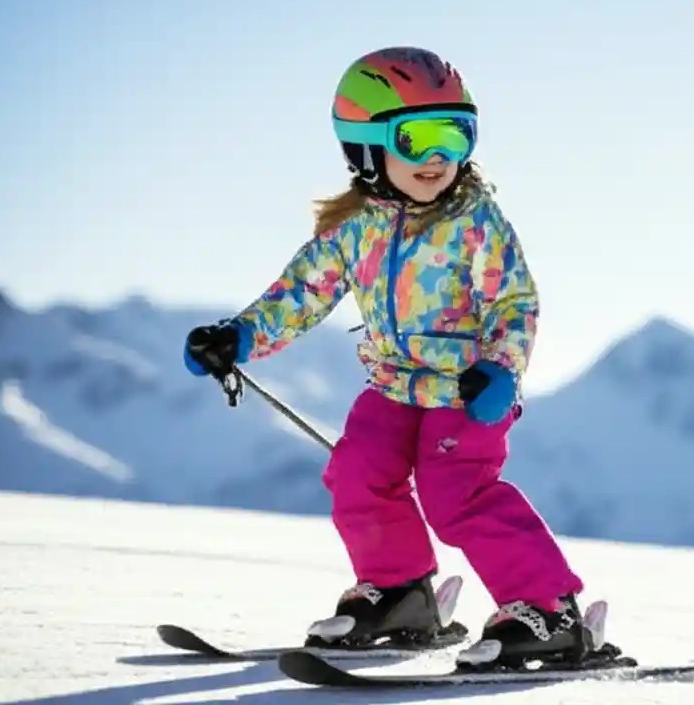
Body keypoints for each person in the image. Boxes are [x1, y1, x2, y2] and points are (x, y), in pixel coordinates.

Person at [182, 46, 587, 668]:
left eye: (455, 136)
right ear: (367, 147)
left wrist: (503, 368)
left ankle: (549, 610)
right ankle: (400, 592)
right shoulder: (355, 226)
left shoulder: (475, 221)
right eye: (418, 136)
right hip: (393, 386)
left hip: (466, 390)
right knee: (357, 472)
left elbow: (513, 300)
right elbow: (303, 292)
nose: (437, 157)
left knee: (457, 496)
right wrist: (239, 337)